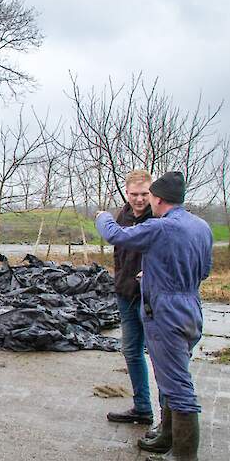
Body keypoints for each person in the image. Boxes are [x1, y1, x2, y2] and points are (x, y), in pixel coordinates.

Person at [95, 171, 212, 461]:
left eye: (149, 197)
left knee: (177, 382)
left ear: (158, 199)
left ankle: (185, 455)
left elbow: (116, 235)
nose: (145, 201)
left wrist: (102, 217)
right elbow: (205, 270)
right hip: (190, 306)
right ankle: (166, 437)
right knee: (171, 376)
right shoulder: (201, 226)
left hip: (166, 311)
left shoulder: (161, 227)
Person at [105, 170, 154, 426]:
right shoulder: (122, 215)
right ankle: (142, 408)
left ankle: (169, 419)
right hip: (125, 293)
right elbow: (118, 253)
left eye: (144, 194)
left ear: (152, 193)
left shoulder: (158, 217)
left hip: (150, 297)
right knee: (131, 351)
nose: (139, 199)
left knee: (158, 354)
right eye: (134, 194)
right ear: (127, 193)